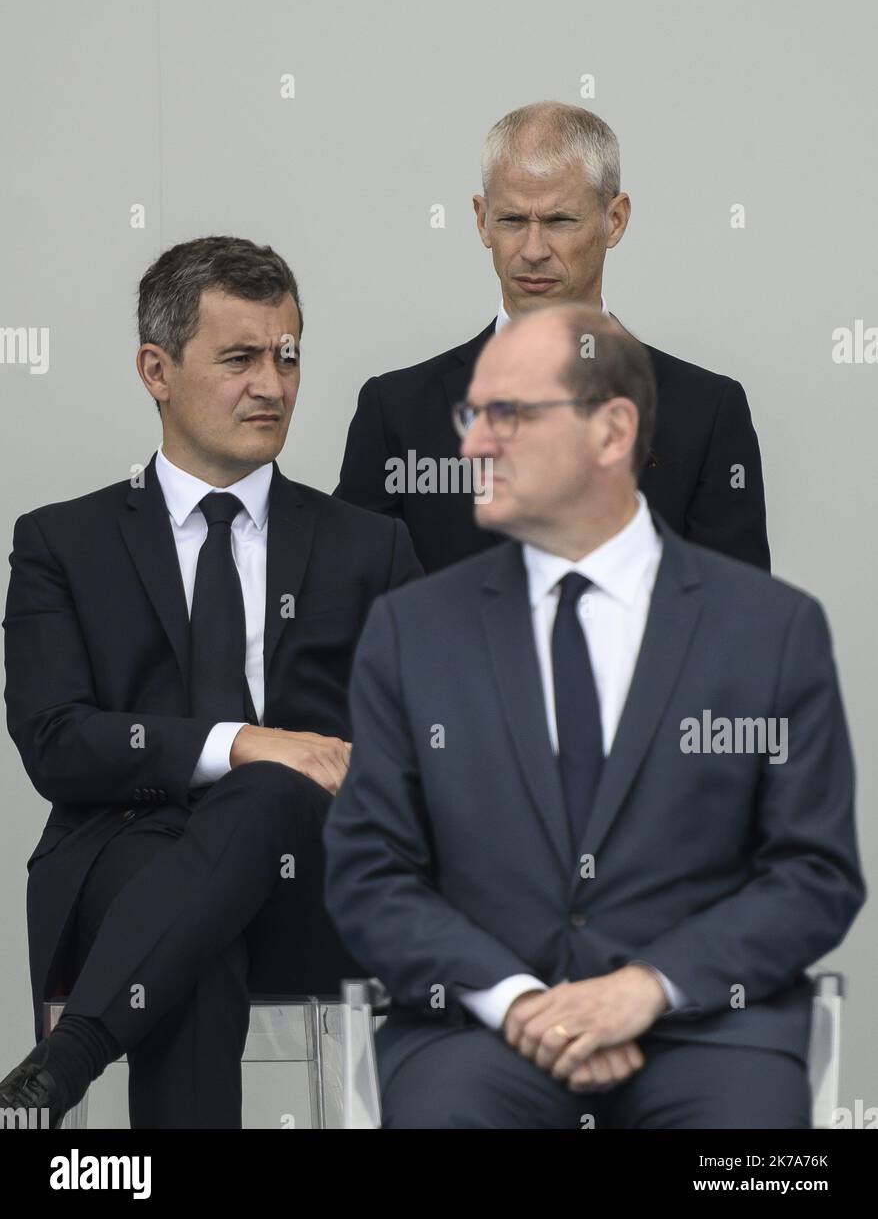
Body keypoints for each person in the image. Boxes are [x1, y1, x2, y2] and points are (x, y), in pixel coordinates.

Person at [324, 305, 863, 1129]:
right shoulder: (413, 632)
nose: (470, 448)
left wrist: (647, 988)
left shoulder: (770, 630)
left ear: (613, 433)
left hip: (711, 1035)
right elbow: (368, 871)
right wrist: (513, 1001)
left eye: (507, 414)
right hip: (478, 1038)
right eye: (473, 415)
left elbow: (813, 873)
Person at [0, 235, 421, 1128]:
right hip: (119, 857)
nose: (271, 385)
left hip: (313, 879)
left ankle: (73, 1052)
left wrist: (289, 768)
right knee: (193, 925)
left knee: (268, 796)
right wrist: (241, 742)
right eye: (239, 358)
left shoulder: (367, 546)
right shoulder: (59, 544)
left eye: (287, 355)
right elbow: (56, 744)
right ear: (156, 369)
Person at [336, 101, 770, 573]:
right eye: (512, 221)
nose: (534, 251)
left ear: (615, 220)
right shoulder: (397, 412)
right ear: (482, 221)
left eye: (560, 221)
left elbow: (736, 623)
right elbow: (358, 611)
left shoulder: (705, 413)